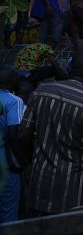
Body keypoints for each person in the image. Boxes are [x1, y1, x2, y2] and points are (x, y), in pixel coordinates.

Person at [19, 50, 83, 216]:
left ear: (69, 66)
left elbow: (23, 135)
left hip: (38, 180)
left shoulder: (42, 91)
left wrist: (27, 164)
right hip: (74, 189)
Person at [0, 66, 23, 223]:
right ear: (14, 82)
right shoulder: (14, 101)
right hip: (5, 162)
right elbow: (14, 135)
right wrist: (22, 161)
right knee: (8, 210)